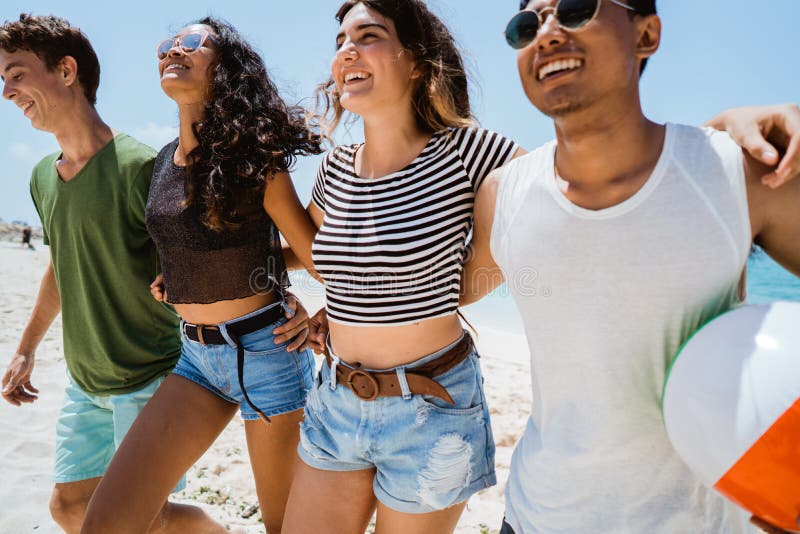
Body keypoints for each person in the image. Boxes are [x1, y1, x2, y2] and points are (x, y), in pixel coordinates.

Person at [459, 0, 800, 532]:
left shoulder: (740, 171)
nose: (547, 33)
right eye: (526, 25)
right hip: (534, 518)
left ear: (646, 35)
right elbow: (437, 292)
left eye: (576, 9)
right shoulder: (503, 195)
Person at [279, 1, 525, 533]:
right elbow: (307, 251)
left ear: (415, 61)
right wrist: (211, 270)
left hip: (432, 408)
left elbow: (552, 202)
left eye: (368, 35)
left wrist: (451, 283)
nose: (347, 51)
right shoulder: (335, 168)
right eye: (341, 41)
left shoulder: (470, 152)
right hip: (336, 398)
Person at [81, 18, 321, 534]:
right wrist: (181, 275)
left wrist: (316, 316)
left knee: (284, 527)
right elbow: (203, 242)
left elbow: (314, 256)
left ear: (225, 67)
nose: (174, 51)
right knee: (107, 521)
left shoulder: (255, 158)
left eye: (192, 43)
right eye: (167, 46)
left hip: (269, 351)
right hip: (195, 359)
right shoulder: (162, 162)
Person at [0, 14, 221, 533]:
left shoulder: (140, 166)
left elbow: (193, 263)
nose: (7, 92)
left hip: (149, 375)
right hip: (86, 380)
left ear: (67, 71)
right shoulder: (42, 176)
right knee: (68, 506)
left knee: (143, 519)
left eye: (17, 75)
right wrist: (26, 348)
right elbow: (61, 265)